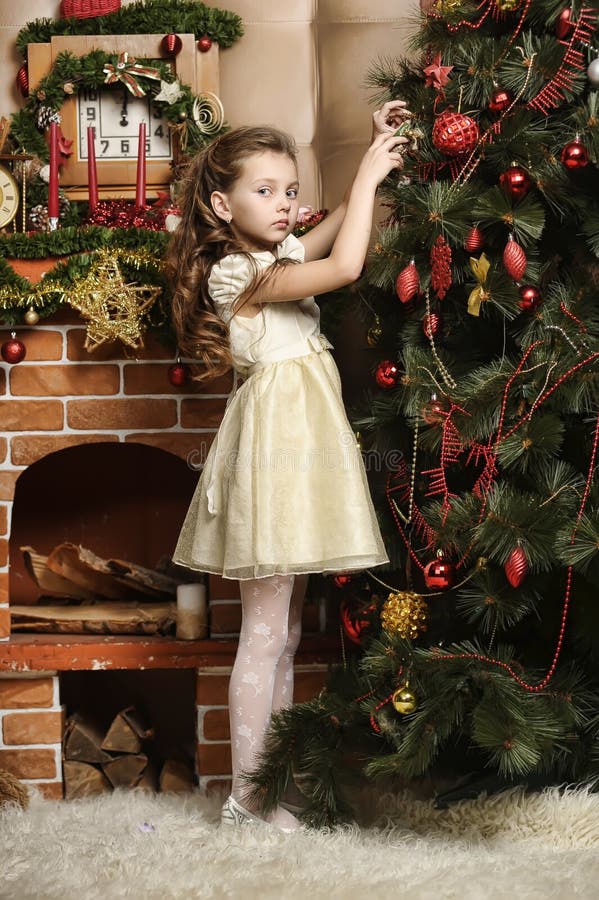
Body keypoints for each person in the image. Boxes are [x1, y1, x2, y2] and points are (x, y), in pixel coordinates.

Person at [167, 102, 409, 832]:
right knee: (264, 633)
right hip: (276, 456)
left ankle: (266, 789)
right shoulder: (231, 271)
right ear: (220, 203)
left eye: (289, 189)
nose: (284, 204)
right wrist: (369, 175)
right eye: (264, 190)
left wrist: (367, 154)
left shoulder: (271, 254)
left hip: (301, 453)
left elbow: (317, 237)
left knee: (288, 634)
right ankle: (246, 801)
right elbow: (344, 263)